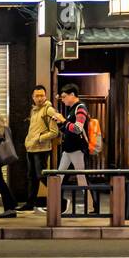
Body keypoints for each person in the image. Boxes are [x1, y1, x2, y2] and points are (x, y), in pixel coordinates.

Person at [55, 84, 94, 213]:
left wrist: (64, 121)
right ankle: (56, 204)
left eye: (64, 97)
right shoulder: (72, 109)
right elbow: (68, 129)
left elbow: (78, 129)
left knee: (81, 177)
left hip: (77, 149)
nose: (63, 99)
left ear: (72, 95)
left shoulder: (80, 108)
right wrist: (61, 122)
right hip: (69, 149)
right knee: (59, 176)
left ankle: (91, 207)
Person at [20, 85, 59, 210]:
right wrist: (29, 141)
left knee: (41, 175)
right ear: (33, 97)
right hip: (31, 148)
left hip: (42, 149)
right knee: (32, 177)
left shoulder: (49, 110)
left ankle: (59, 198)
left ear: (46, 96)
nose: (39, 98)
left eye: (42, 95)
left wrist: (39, 138)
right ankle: (30, 204)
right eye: (37, 96)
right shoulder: (34, 110)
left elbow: (54, 132)